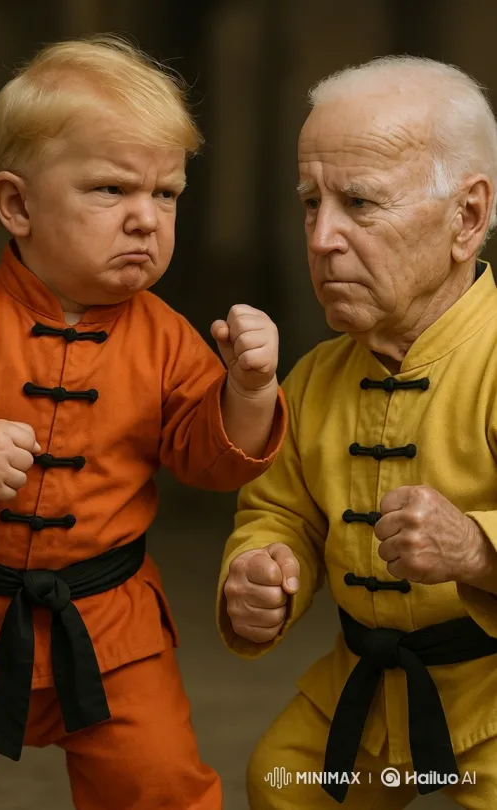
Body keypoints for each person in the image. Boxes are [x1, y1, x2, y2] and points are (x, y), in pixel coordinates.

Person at [0, 35, 286, 810]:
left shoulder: (170, 337)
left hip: (112, 630)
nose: (146, 219)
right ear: (17, 204)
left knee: (161, 785)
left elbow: (212, 461)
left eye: (165, 195)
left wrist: (250, 388)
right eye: (111, 190)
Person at [218, 55, 497, 809]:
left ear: (466, 218)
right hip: (372, 691)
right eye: (311, 203)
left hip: (494, 699)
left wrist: (476, 547)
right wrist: (265, 568)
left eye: (360, 203)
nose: (322, 238)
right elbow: (281, 512)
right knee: (281, 782)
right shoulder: (312, 378)